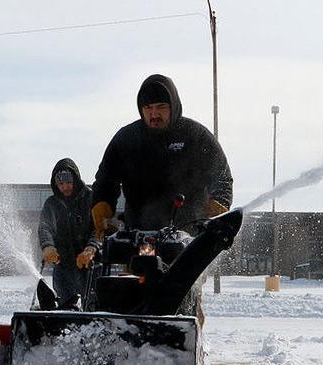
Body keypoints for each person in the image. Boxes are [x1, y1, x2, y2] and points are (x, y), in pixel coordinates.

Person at [76, 74, 233, 317]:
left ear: (173, 107)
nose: (154, 114)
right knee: (133, 290)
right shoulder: (126, 139)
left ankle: (189, 336)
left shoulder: (195, 136)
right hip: (137, 232)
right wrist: (102, 207)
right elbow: (105, 180)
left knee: (184, 296)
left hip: (185, 237)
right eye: (148, 108)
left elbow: (222, 177)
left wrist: (216, 207)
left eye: (161, 107)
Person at [38, 158, 93, 304]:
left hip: (88, 265)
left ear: (75, 180)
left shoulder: (90, 199)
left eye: (68, 182)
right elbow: (45, 227)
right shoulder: (51, 204)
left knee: (92, 305)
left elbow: (99, 230)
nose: (65, 187)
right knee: (65, 305)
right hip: (63, 264)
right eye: (61, 184)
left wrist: (90, 249)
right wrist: (48, 247)